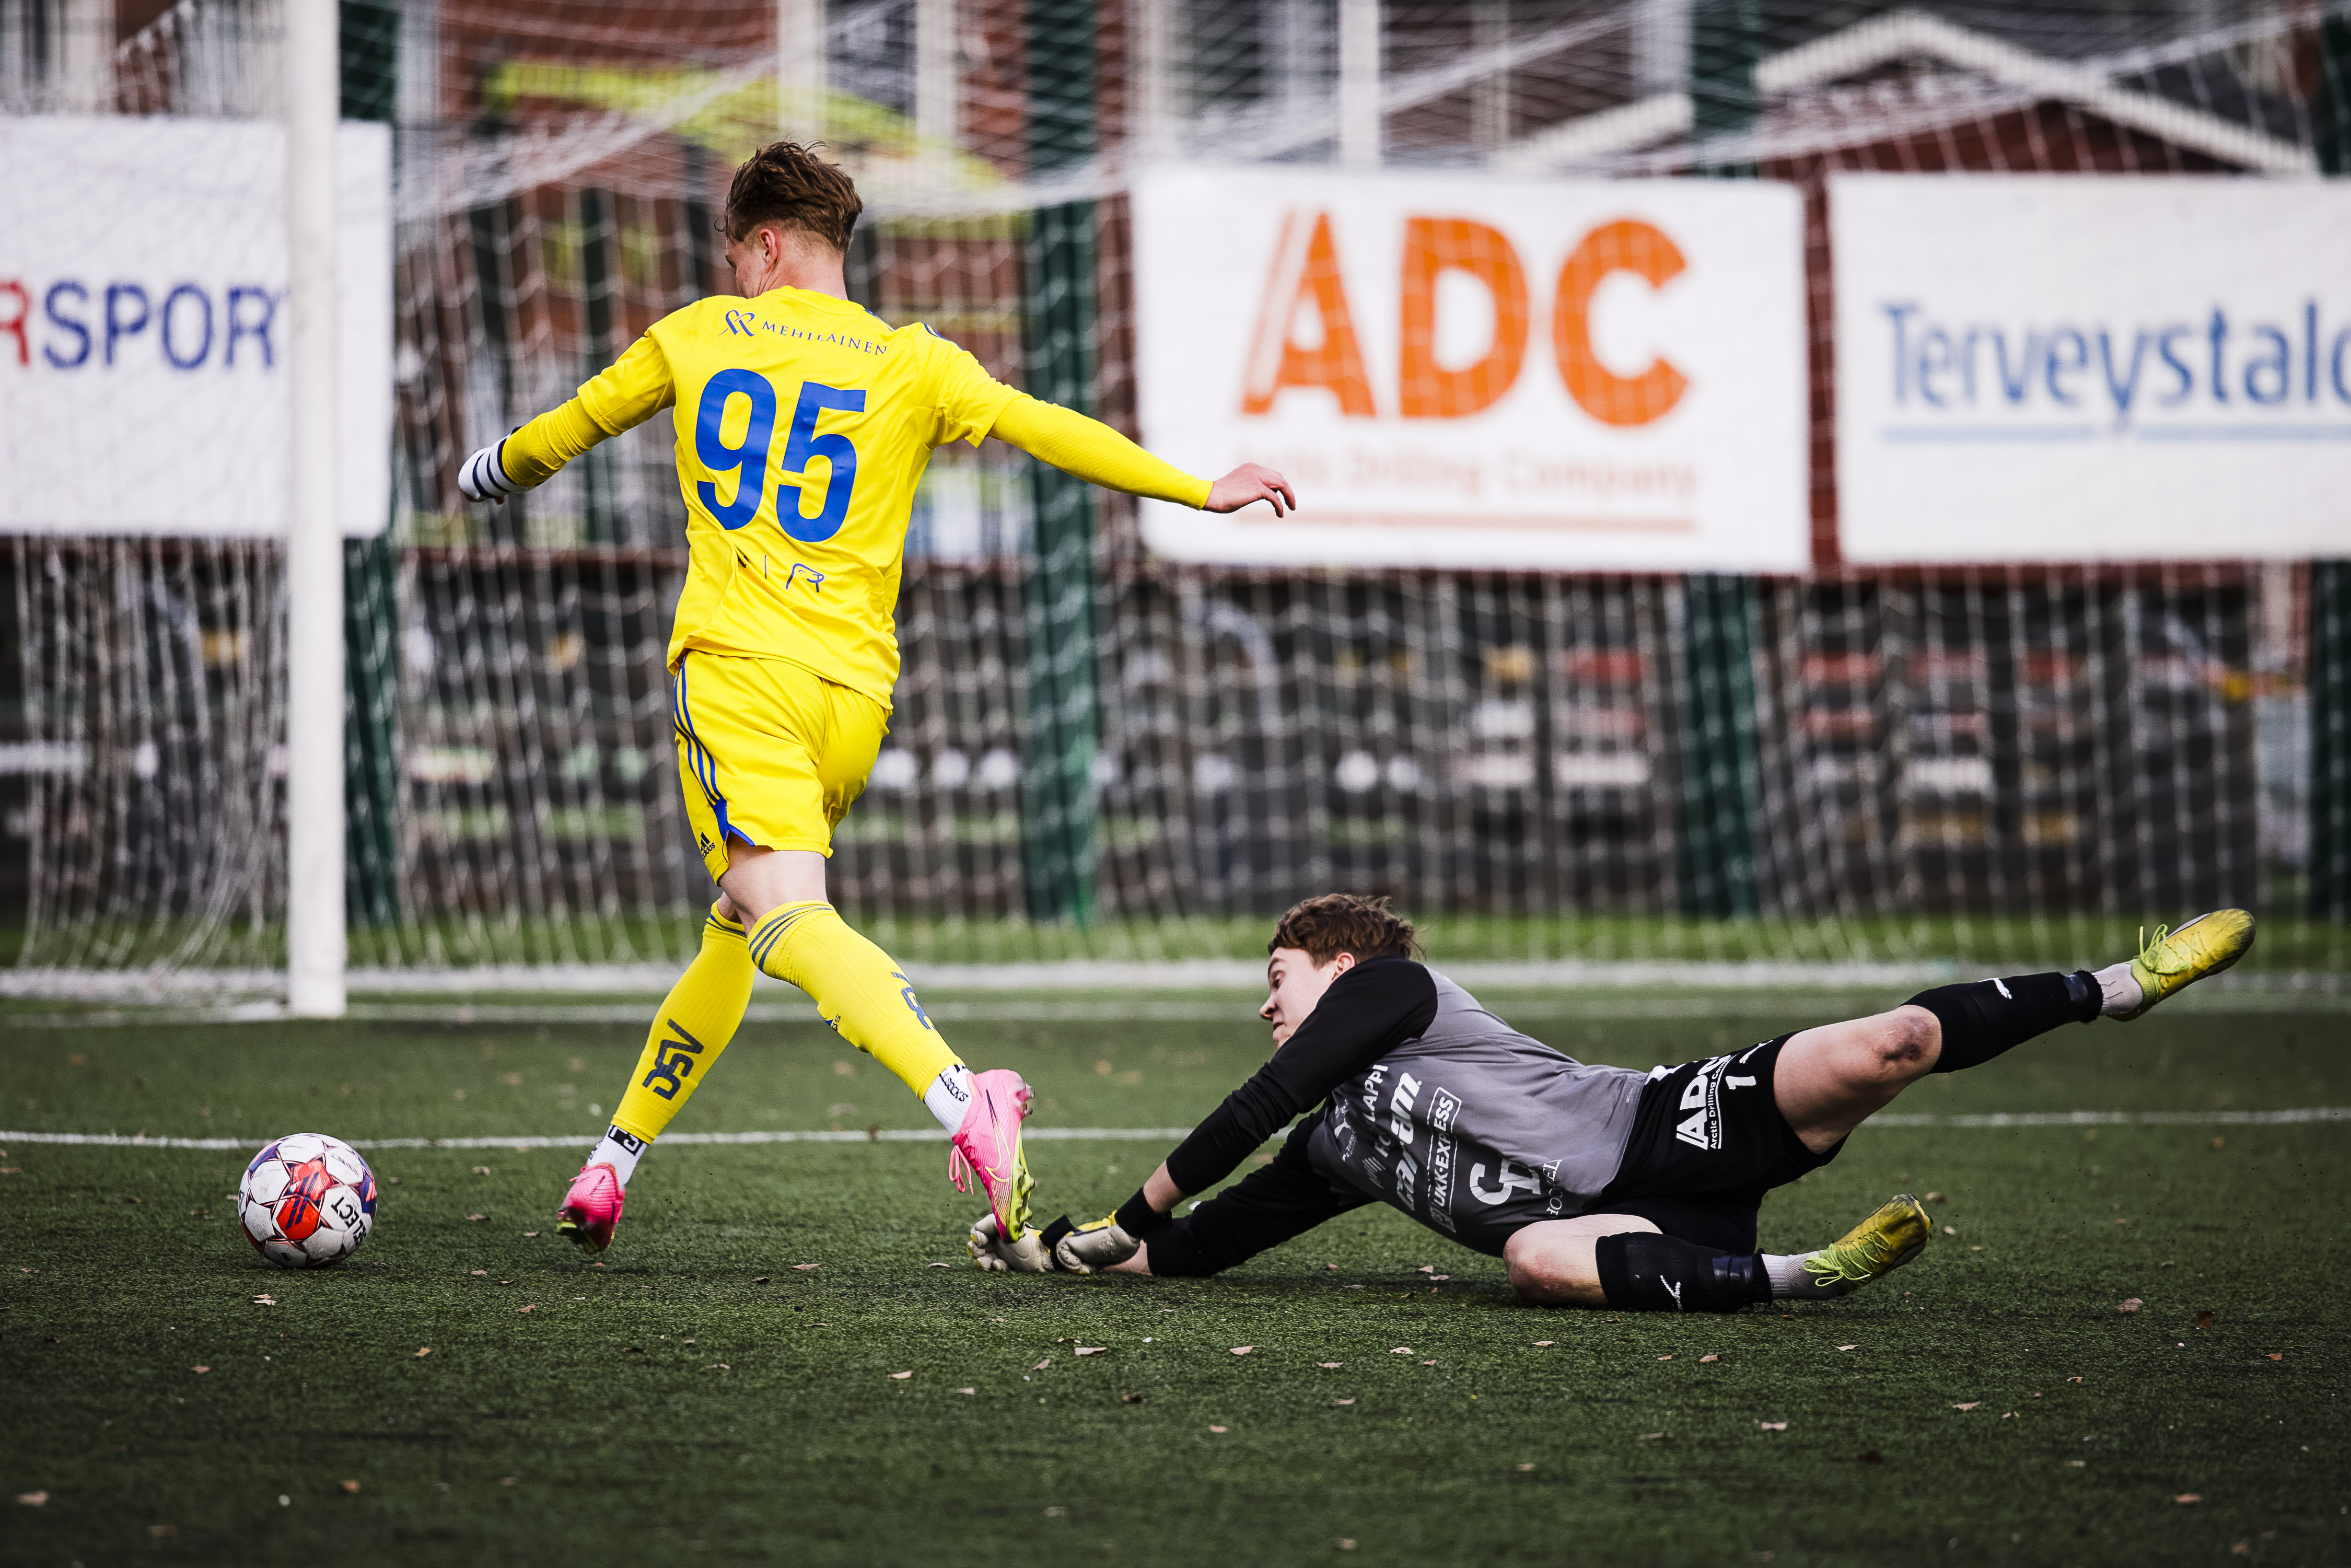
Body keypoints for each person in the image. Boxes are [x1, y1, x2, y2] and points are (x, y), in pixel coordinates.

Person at [456, 142, 1297, 1252]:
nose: (736, 273)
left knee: (784, 915)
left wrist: (488, 470)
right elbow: (1045, 426)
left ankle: (963, 1095)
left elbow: (568, 428)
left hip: (740, 672)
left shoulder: (701, 333)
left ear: (765, 245)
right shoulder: (915, 359)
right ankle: (613, 1163)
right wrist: (1196, 488)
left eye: (737, 256)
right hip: (853, 702)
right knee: (738, 922)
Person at [971, 893, 2254, 1310]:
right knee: (1535, 1259)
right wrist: (1054, 1245)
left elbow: (1267, 1096)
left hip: (1661, 1116)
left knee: (1896, 1042)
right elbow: (1201, 1248)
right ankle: (1809, 1272)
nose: (1267, 1003)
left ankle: (2116, 985)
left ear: (1343, 965)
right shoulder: (1338, 1147)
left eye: (1278, 977)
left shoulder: (1399, 991)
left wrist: (1138, 1203)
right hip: (1630, 1223)